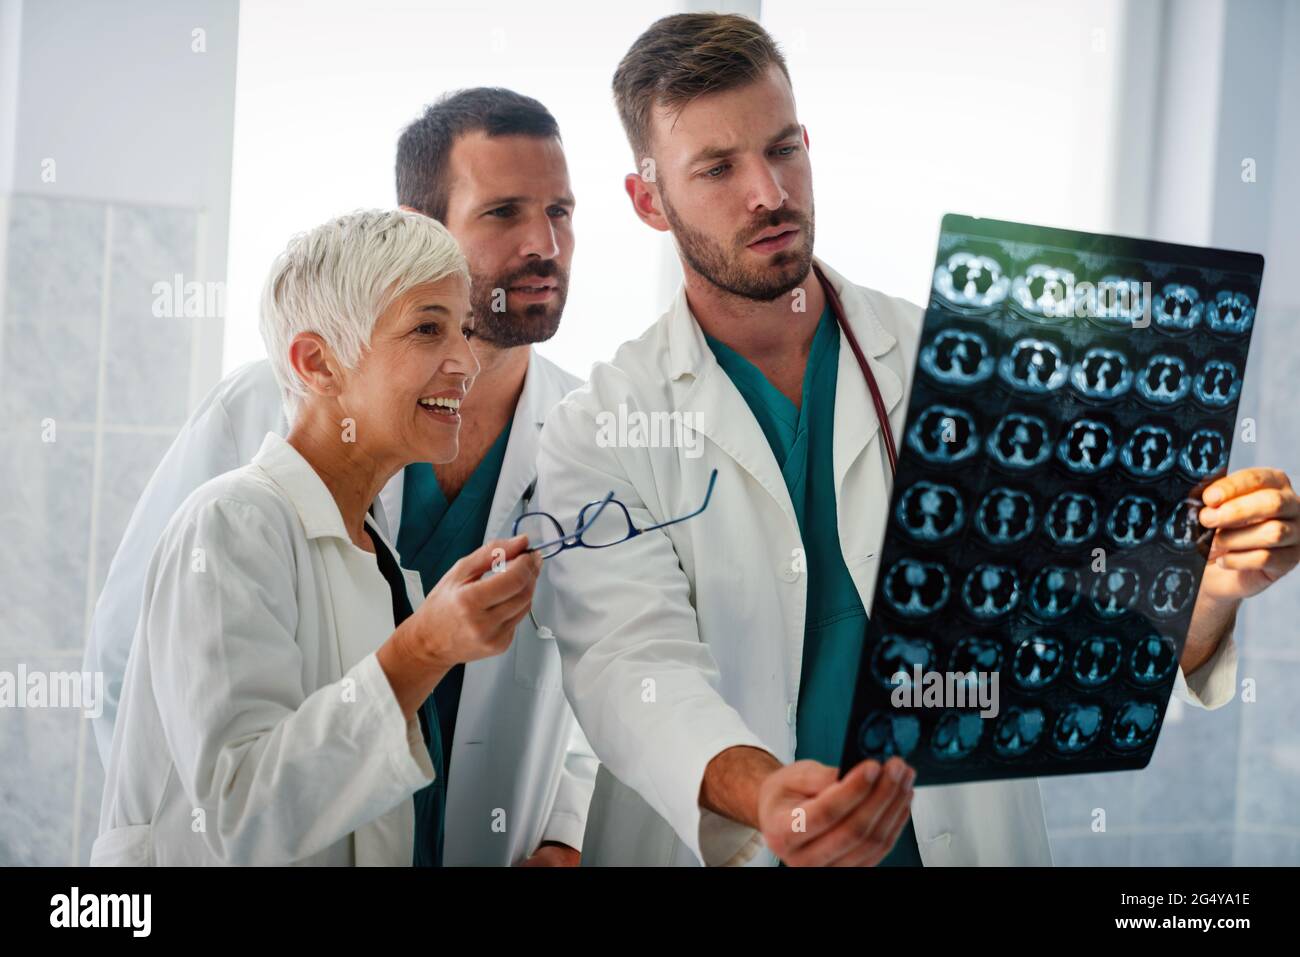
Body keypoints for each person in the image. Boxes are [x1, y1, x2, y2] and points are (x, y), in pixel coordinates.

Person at [533, 13, 1300, 866]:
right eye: (716, 168)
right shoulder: (598, 427)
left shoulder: (969, 370)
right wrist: (762, 793)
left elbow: (1080, 631)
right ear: (648, 201)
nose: (768, 192)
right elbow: (630, 669)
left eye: (784, 149)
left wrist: (1212, 590)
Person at [84, 89, 594, 866]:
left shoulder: (584, 433)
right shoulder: (241, 471)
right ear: (418, 226)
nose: (544, 243)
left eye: (561, 211)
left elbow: (602, 686)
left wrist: (565, 833)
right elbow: (146, 681)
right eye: (503, 212)